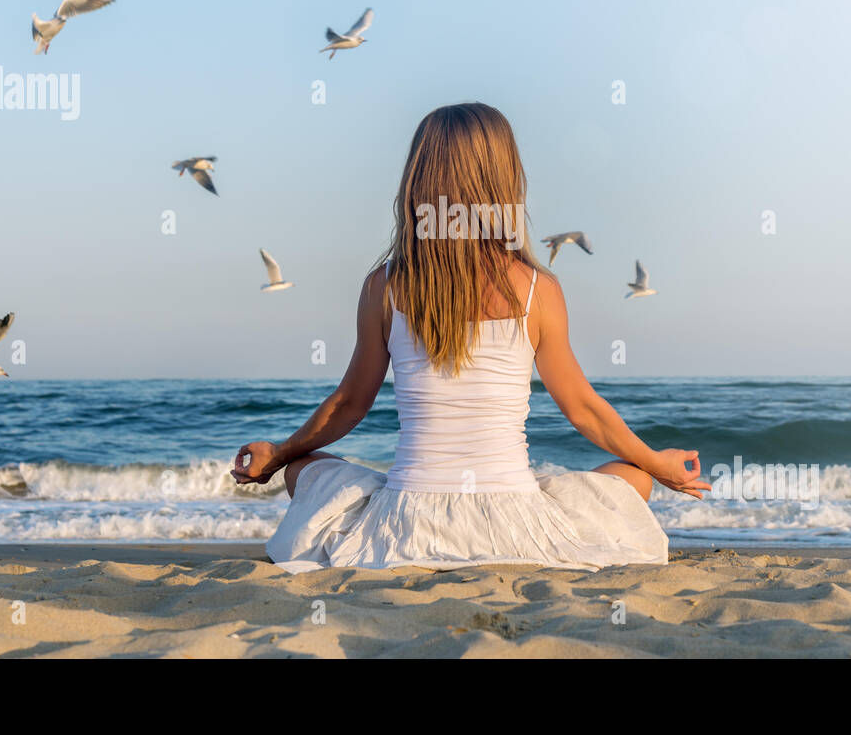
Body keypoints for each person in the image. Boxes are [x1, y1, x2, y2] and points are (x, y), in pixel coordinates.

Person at [230, 102, 709, 571]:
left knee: (303, 472)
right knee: (634, 478)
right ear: (503, 180)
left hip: (407, 517)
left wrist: (281, 453)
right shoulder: (538, 289)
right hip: (513, 515)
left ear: (417, 182)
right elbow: (582, 409)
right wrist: (657, 463)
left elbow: (350, 403)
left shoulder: (385, 286)